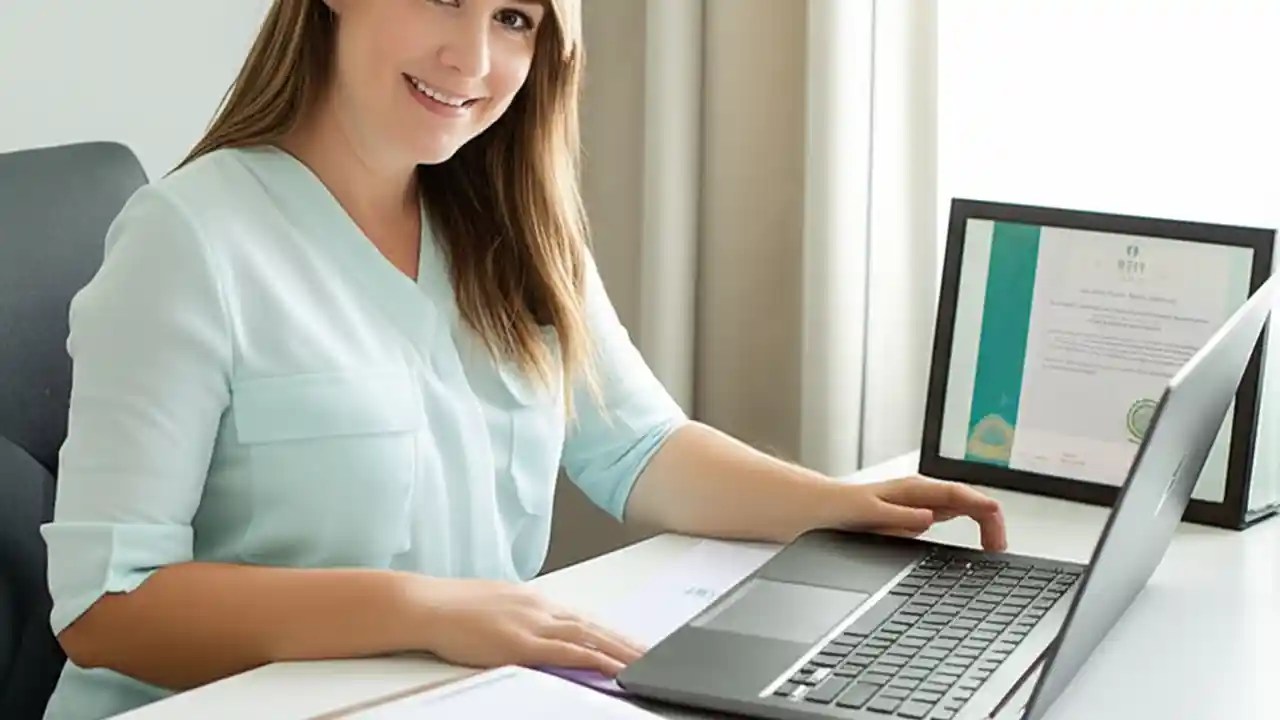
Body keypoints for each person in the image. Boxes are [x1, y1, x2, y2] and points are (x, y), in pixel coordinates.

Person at [39, 1, 1007, 718]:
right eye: (444, 0)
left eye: (515, 18)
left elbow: (637, 449)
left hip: (445, 691)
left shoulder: (508, 223)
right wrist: (422, 609)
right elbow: (108, 609)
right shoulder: (189, 239)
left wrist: (839, 506)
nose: (474, 59)